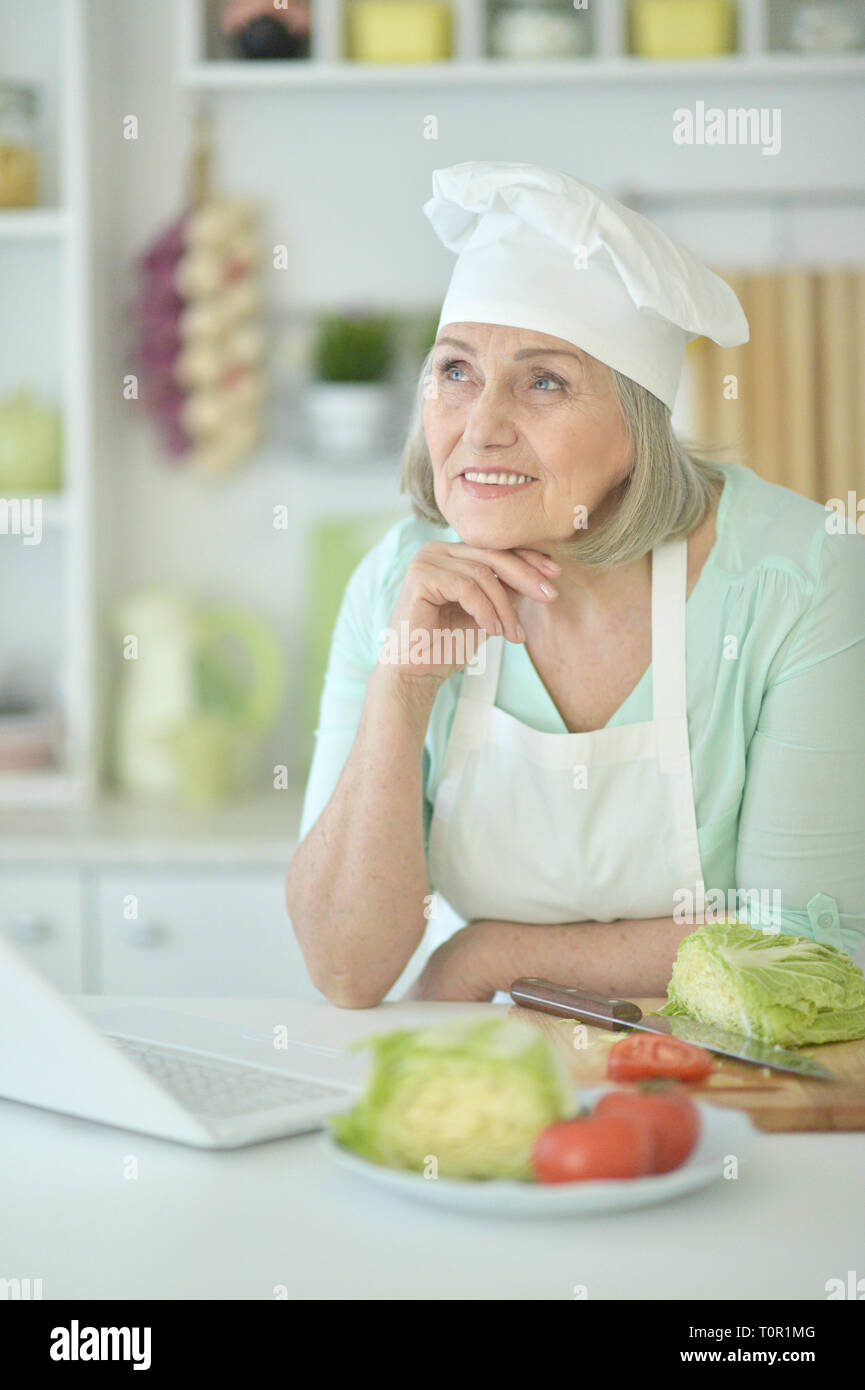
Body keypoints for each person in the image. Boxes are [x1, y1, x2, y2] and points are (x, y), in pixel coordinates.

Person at [286, 161, 865, 1007]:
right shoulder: (396, 583)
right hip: (483, 1080)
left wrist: (489, 959)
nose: (480, 428)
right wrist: (403, 686)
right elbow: (346, 971)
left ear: (638, 424)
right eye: (455, 372)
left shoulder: (800, 575)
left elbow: (810, 944)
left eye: (543, 382)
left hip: (727, 1084)